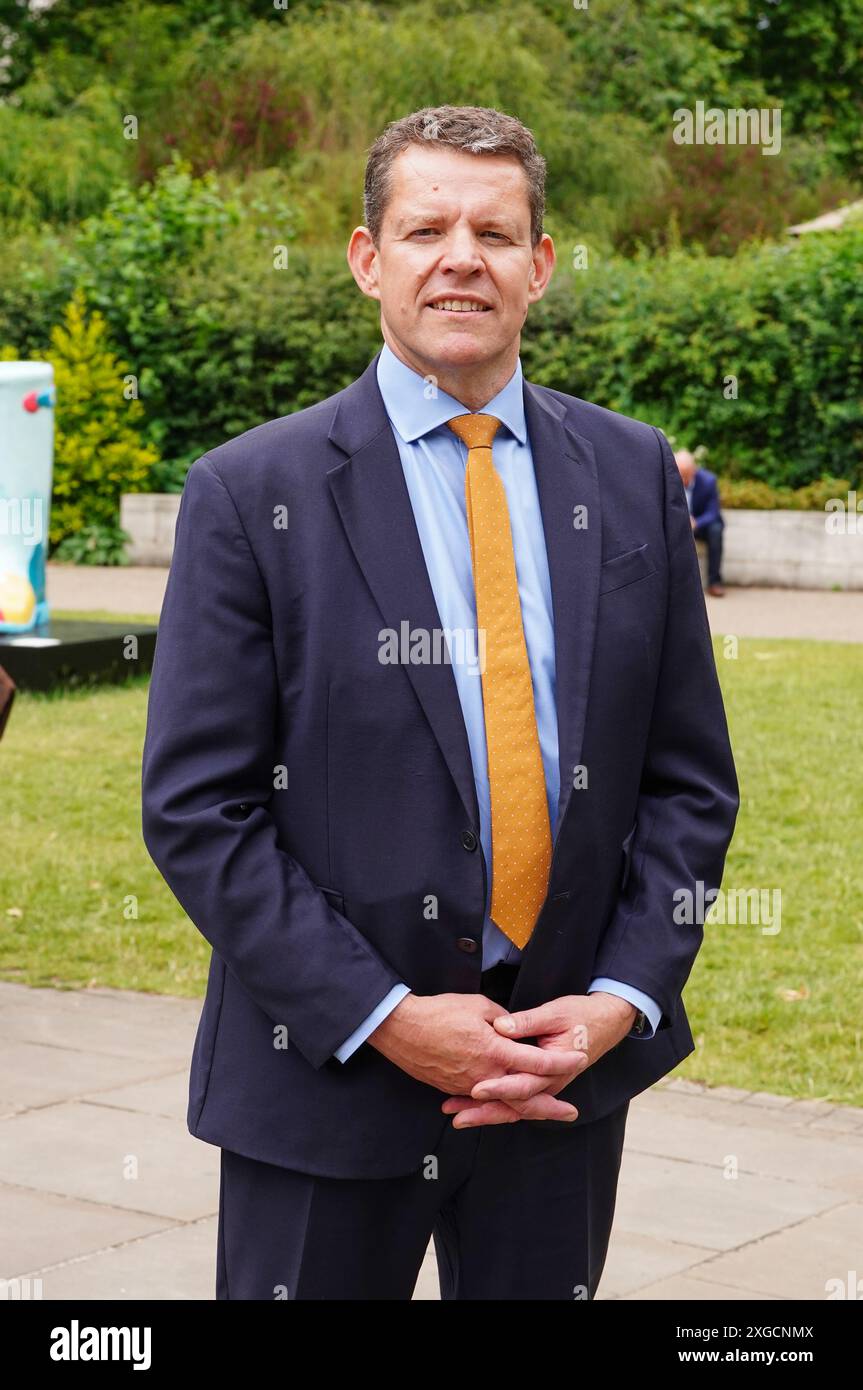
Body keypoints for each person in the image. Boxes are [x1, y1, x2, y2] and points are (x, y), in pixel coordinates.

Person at [141, 105, 739, 1301]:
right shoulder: (248, 492)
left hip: (553, 1085)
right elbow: (201, 811)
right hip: (324, 1083)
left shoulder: (629, 475)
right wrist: (385, 1014)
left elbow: (686, 781)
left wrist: (619, 1000)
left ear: (539, 265)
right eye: (424, 228)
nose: (459, 255)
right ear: (369, 259)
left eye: (492, 230)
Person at [674, 448, 726, 596]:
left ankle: (714, 582)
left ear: (694, 470)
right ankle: (676, 585)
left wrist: (695, 522)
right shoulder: (670, 480)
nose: (682, 480)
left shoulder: (709, 481)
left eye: (685, 475)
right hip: (678, 524)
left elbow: (713, 512)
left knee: (716, 530)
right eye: (679, 474)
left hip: (701, 526)